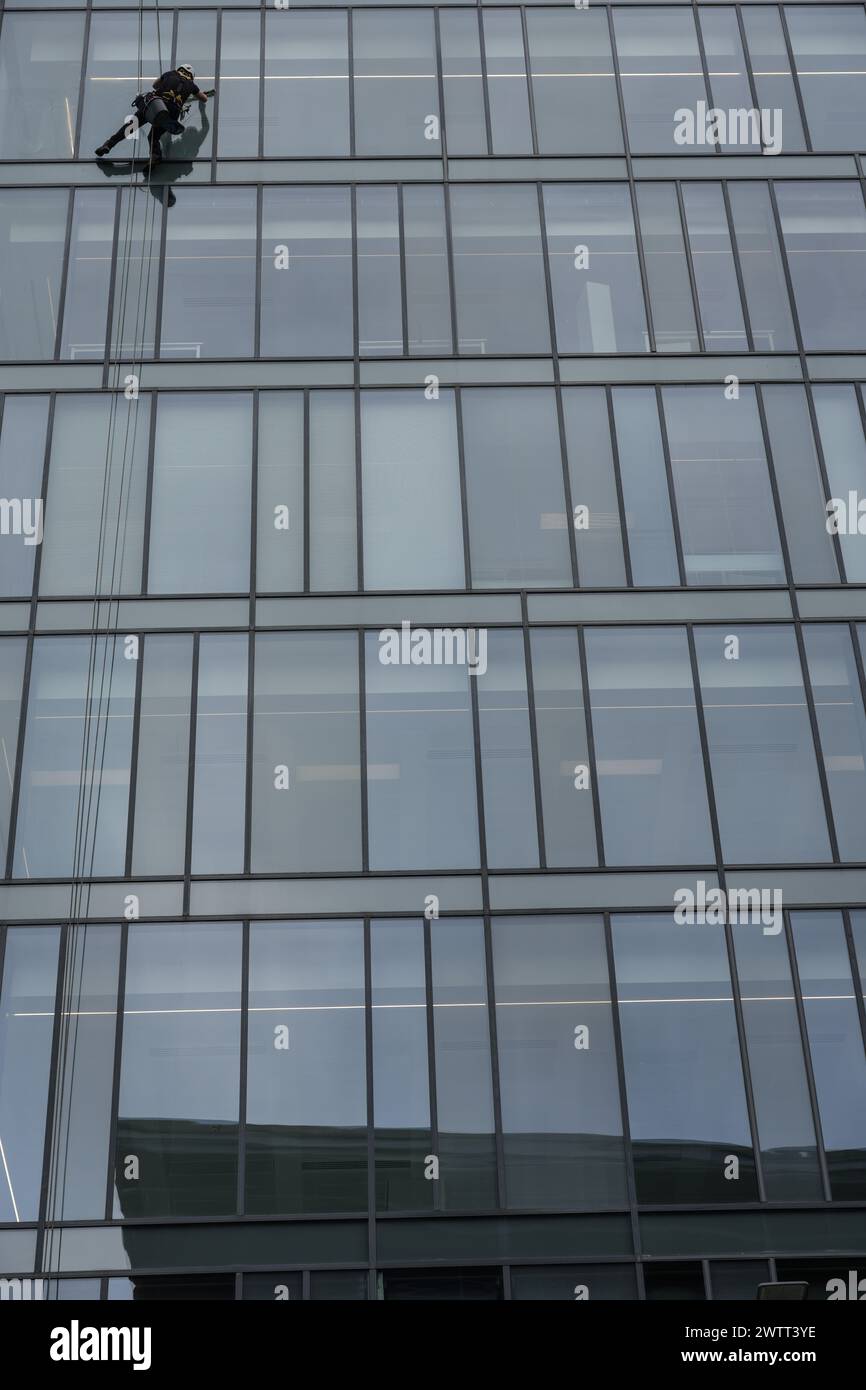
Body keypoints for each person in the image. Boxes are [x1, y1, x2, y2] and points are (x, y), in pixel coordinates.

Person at [95, 64, 208, 165]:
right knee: (154, 136)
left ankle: (109, 144)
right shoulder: (192, 85)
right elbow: (204, 99)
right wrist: (193, 95)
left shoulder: (170, 74)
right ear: (192, 76)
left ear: (179, 69)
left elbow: (154, 85)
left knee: (131, 126)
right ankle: (155, 157)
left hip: (156, 104)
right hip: (173, 111)